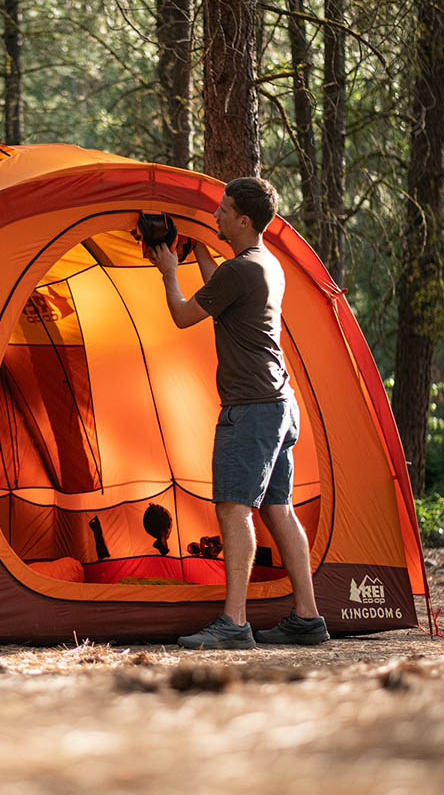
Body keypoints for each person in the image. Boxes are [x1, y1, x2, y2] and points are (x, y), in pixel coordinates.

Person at [146, 177, 329, 649]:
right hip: (280, 405)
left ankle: (233, 623)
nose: (217, 216)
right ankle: (307, 617)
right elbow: (223, 289)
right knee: (277, 509)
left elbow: (185, 314)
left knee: (233, 508)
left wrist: (169, 270)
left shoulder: (240, 271)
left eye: (224, 211)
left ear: (244, 220)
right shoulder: (264, 264)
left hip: (250, 411)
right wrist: (199, 254)